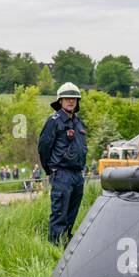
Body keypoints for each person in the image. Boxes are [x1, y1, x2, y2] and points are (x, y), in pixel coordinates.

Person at [37, 82, 88, 243]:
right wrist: (50, 170)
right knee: (60, 213)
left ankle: (65, 243)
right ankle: (54, 247)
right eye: (67, 98)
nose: (71, 101)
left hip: (77, 175)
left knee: (72, 213)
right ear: (60, 100)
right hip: (61, 174)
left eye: (74, 98)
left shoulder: (79, 123)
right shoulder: (54, 121)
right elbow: (43, 148)